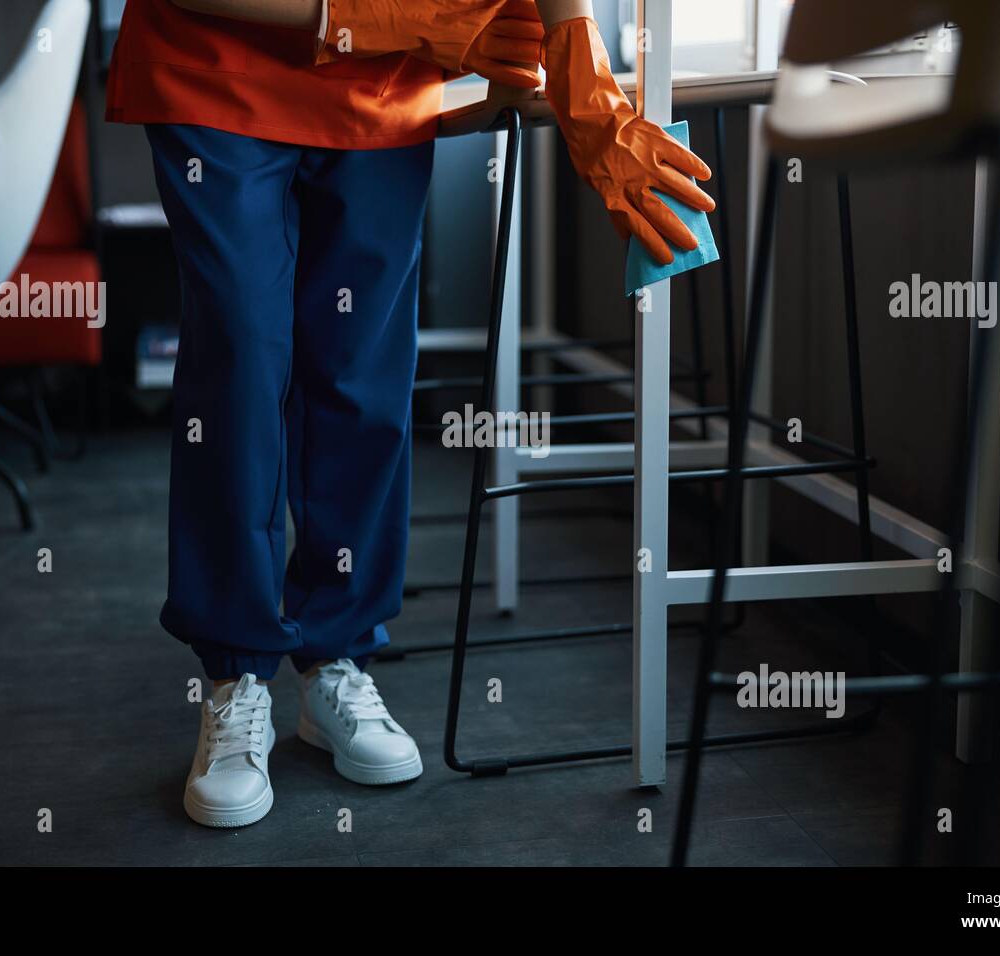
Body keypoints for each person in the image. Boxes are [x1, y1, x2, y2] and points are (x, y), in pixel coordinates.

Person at [106, 0, 715, 827]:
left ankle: (335, 659)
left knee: (362, 375)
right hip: (220, 68)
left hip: (382, 91)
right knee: (241, 361)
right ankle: (235, 672)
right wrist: (391, 18)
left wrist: (587, 78)